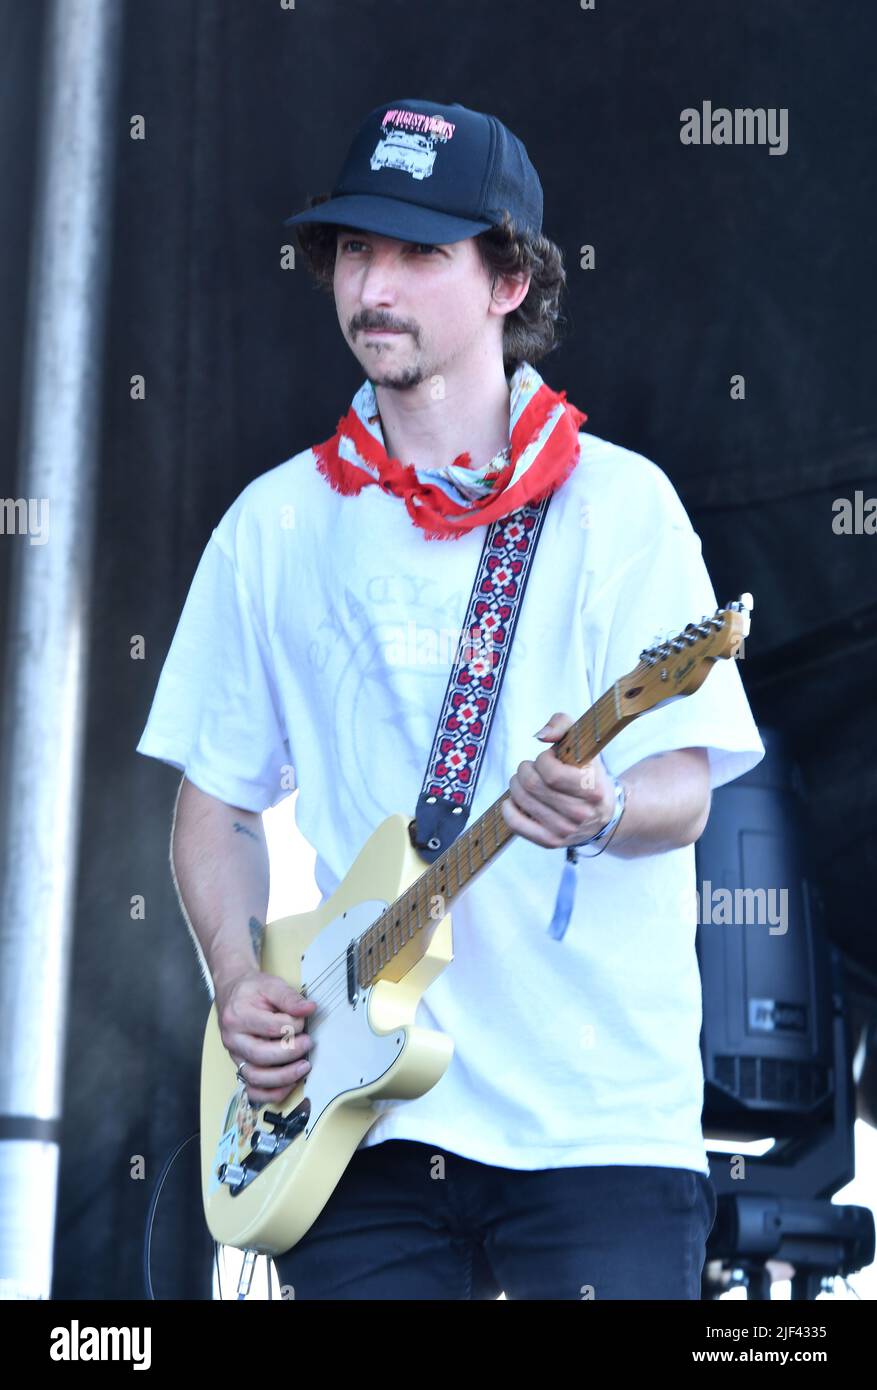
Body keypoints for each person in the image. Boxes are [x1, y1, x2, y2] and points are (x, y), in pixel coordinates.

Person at [136, 97, 765, 1300]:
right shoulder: (275, 523)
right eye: (356, 250)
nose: (375, 285)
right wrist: (233, 973)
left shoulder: (618, 508)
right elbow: (214, 803)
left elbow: (686, 786)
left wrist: (599, 805)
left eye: (421, 253)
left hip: (594, 1131)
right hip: (352, 1130)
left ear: (509, 282)